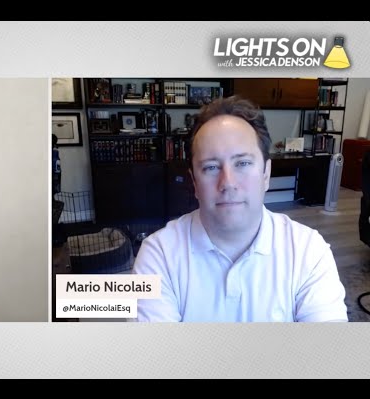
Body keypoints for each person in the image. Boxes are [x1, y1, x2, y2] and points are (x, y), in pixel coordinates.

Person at [133, 95, 348, 322]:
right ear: (194, 182)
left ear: (266, 174)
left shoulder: (309, 251)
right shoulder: (157, 255)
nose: (228, 183)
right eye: (211, 167)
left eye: (243, 163)